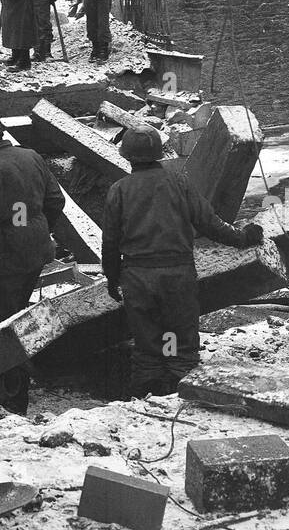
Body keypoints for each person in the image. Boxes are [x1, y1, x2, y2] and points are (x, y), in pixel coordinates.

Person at [102, 127, 264, 397]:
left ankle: (144, 399)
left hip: (138, 277)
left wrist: (112, 277)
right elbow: (209, 223)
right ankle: (181, 390)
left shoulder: (119, 190)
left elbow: (110, 242)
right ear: (159, 154)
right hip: (177, 275)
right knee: (179, 340)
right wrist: (243, 238)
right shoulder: (179, 183)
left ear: (127, 156)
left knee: (146, 344)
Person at [0, 109, 66, 413]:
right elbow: (56, 200)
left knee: (5, 329)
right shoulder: (31, 156)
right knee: (19, 315)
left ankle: (15, 396)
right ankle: (26, 374)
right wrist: (39, 230)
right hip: (35, 254)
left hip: (7, 260)